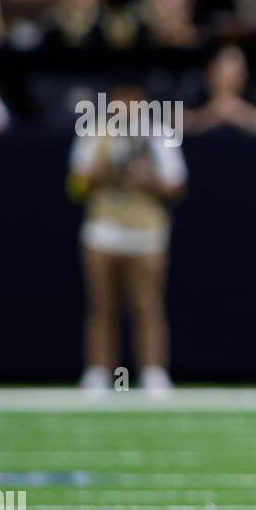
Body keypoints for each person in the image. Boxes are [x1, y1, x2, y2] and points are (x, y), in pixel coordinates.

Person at [68, 84, 187, 397]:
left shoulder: (159, 134)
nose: (128, 108)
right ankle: (98, 373)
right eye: (121, 102)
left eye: (134, 102)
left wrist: (147, 178)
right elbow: (76, 187)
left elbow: (176, 186)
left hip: (147, 234)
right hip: (102, 231)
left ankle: (153, 373)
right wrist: (103, 170)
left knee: (147, 305)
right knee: (101, 306)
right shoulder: (96, 133)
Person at [185, 45, 256, 136]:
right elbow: (179, 123)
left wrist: (235, 112)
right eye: (226, 74)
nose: (232, 79)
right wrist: (214, 113)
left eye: (237, 74)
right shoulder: (194, 104)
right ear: (211, 72)